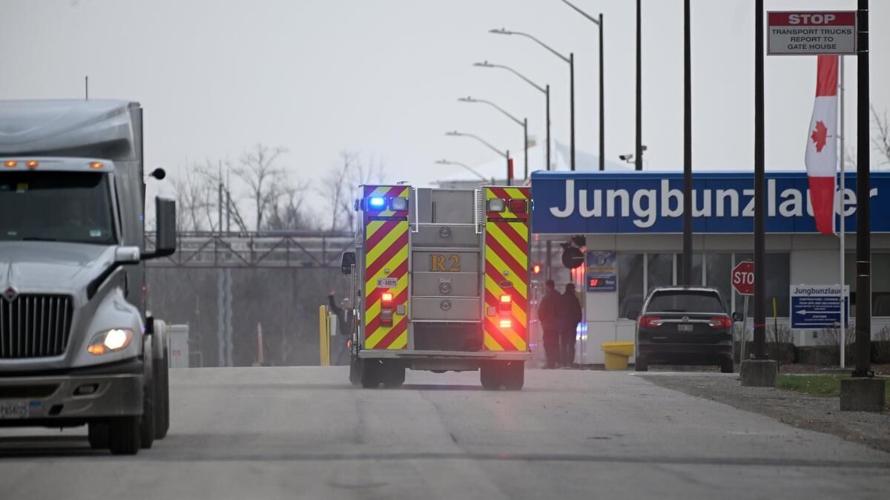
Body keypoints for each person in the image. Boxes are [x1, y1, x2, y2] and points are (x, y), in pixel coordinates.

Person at [558, 283, 583, 368]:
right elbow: (578, 312)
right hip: (572, 325)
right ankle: (570, 362)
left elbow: (557, 311)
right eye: (573, 288)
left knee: (563, 344)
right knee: (571, 344)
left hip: (563, 325)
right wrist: (577, 321)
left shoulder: (561, 298)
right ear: (571, 289)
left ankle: (563, 362)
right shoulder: (574, 299)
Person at [537, 280, 561, 368]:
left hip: (548, 325)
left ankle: (550, 363)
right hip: (557, 325)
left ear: (547, 286)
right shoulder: (559, 296)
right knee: (555, 343)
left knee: (548, 344)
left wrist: (542, 320)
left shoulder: (546, 298)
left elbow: (541, 311)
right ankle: (557, 362)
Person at [328, 291, 351, 366]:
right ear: (343, 304)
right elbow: (333, 307)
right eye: (345, 303)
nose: (346, 304)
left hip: (351, 335)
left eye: (347, 303)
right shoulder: (340, 311)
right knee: (340, 350)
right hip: (343, 334)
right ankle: (337, 364)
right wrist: (331, 297)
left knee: (351, 351)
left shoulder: (352, 312)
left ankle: (351, 364)